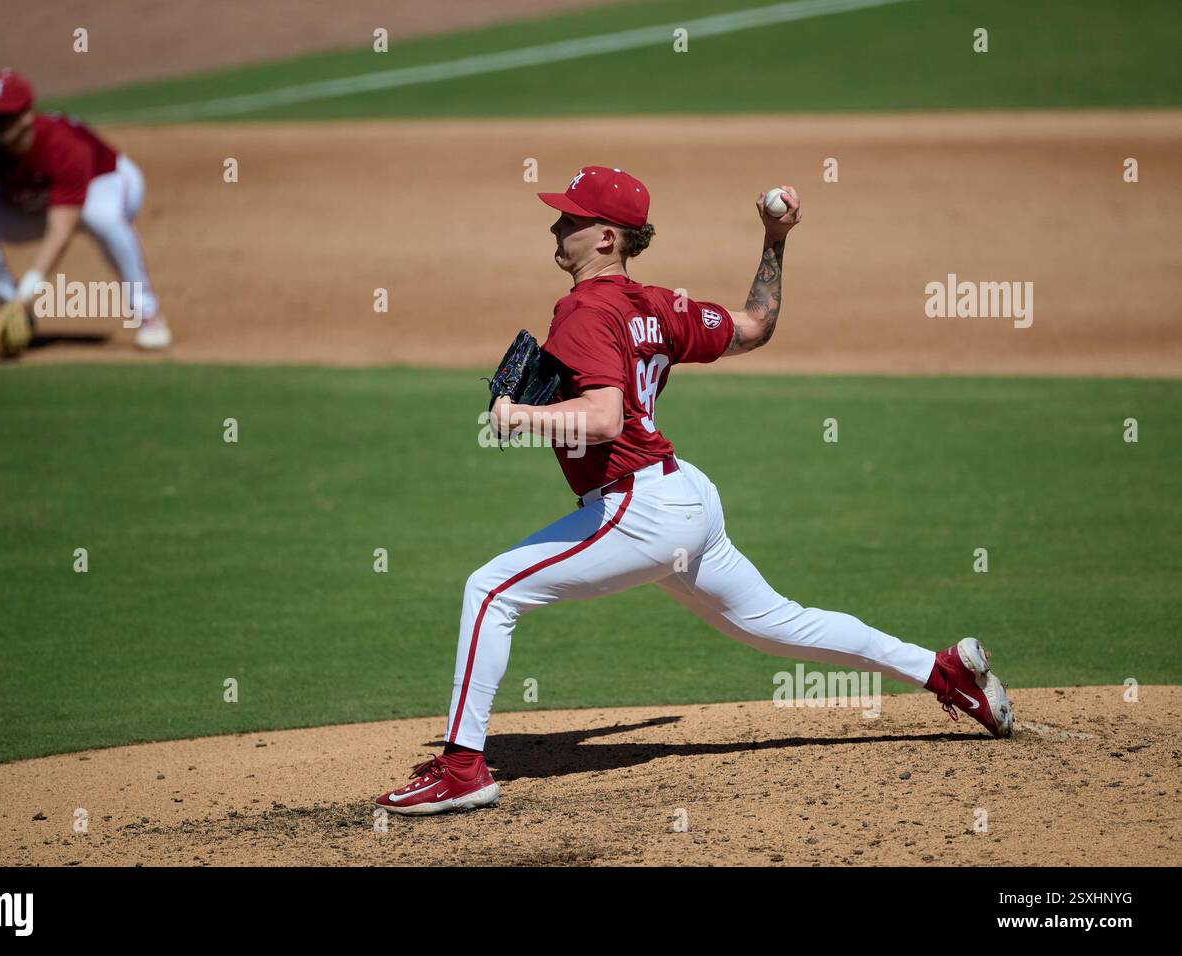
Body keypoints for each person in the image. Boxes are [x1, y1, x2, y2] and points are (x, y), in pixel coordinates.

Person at [376, 166, 1013, 816]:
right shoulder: (659, 306)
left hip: (639, 511)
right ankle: (946, 672)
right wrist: (775, 239)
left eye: (569, 219)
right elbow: (757, 323)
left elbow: (602, 417)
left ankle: (462, 770)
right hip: (683, 498)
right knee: (779, 624)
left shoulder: (582, 310)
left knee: (490, 590)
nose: (555, 226)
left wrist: (519, 417)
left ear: (605, 237)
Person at [0, 69, 171, 350]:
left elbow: (61, 230)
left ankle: (148, 313)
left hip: (107, 183)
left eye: (5, 116)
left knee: (101, 217)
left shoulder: (63, 143)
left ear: (27, 115)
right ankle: (14, 312)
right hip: (38, 202)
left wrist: (30, 290)